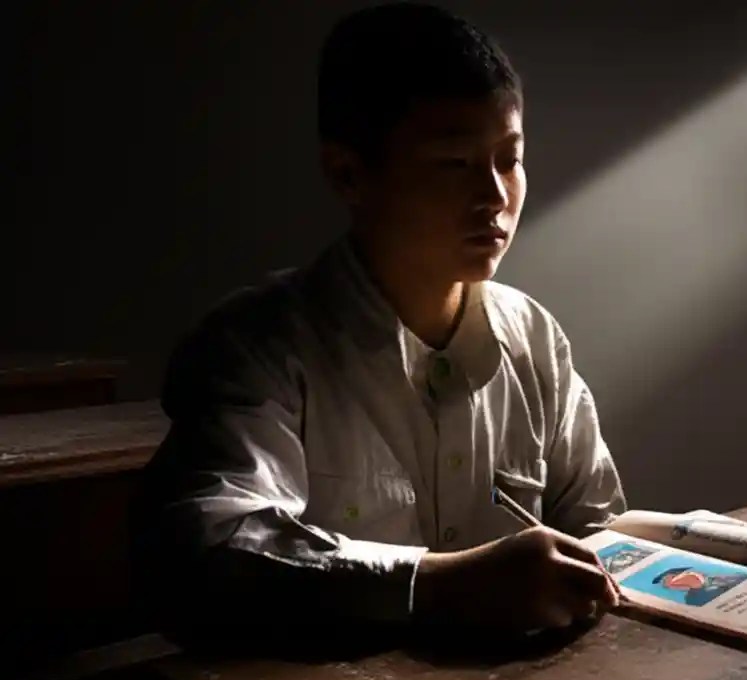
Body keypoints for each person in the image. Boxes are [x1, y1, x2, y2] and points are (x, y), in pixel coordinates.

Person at [134, 2, 625, 642]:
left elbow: (597, 526)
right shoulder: (256, 348)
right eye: (454, 164)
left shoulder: (533, 339)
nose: (495, 198)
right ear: (349, 174)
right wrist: (443, 585)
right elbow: (212, 542)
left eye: (509, 159)